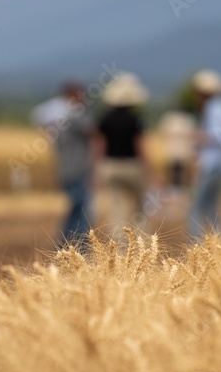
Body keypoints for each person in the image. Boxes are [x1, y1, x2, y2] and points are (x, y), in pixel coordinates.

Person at [31, 81, 94, 247]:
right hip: (78, 170)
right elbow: (93, 131)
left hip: (65, 170)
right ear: (73, 95)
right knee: (81, 211)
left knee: (75, 209)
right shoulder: (72, 116)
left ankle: (66, 245)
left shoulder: (55, 116)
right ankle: (77, 247)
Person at [95, 73, 152, 241]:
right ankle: (144, 245)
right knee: (141, 208)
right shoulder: (136, 120)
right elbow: (140, 147)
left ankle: (120, 251)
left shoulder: (104, 119)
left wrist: (97, 170)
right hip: (133, 166)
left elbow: (100, 146)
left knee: (116, 210)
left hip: (111, 166)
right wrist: (152, 172)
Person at [188, 69, 221, 240]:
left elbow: (220, 135)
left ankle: (195, 248)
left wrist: (198, 137)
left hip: (211, 163)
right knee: (211, 208)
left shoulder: (213, 107)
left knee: (195, 208)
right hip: (220, 163)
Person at [157, 108, 196, 198]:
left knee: (179, 171)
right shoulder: (182, 121)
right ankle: (173, 190)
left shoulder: (181, 120)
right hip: (174, 151)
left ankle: (177, 191)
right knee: (173, 171)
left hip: (178, 151)